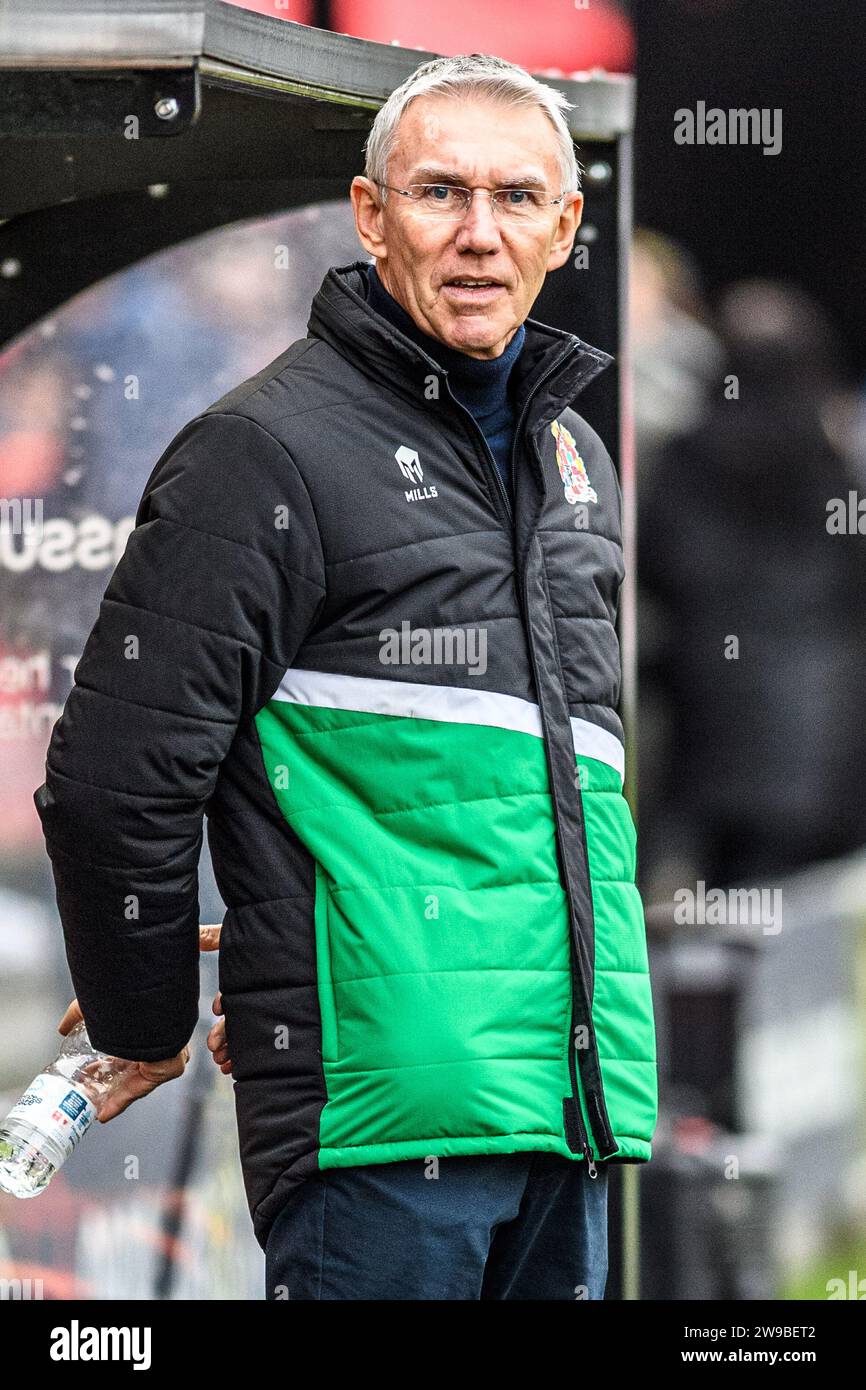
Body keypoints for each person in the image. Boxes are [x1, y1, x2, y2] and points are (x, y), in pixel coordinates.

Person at [34, 52, 657, 1301]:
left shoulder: (571, 451)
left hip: (573, 1108)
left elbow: (561, 792)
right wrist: (147, 1017)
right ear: (371, 216)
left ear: (564, 225)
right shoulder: (259, 451)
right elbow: (113, 783)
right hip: (379, 1132)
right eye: (438, 195)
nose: (479, 235)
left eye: (516, 198)